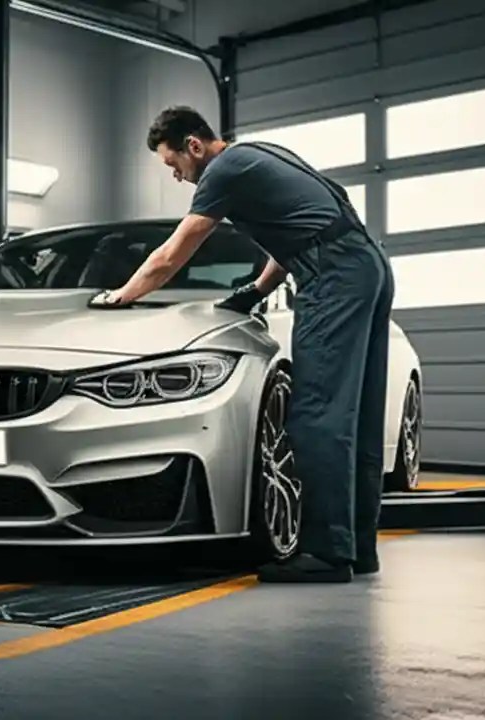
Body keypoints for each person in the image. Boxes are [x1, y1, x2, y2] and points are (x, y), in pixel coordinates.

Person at [90, 106, 395, 583]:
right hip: (366, 264)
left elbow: (172, 254)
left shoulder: (223, 172)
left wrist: (122, 295)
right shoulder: (257, 155)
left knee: (317, 414)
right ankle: (357, 546)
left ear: (194, 146)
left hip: (333, 276)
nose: (178, 177)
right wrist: (256, 291)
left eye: (175, 166)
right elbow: (296, 236)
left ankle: (326, 554)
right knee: (356, 413)